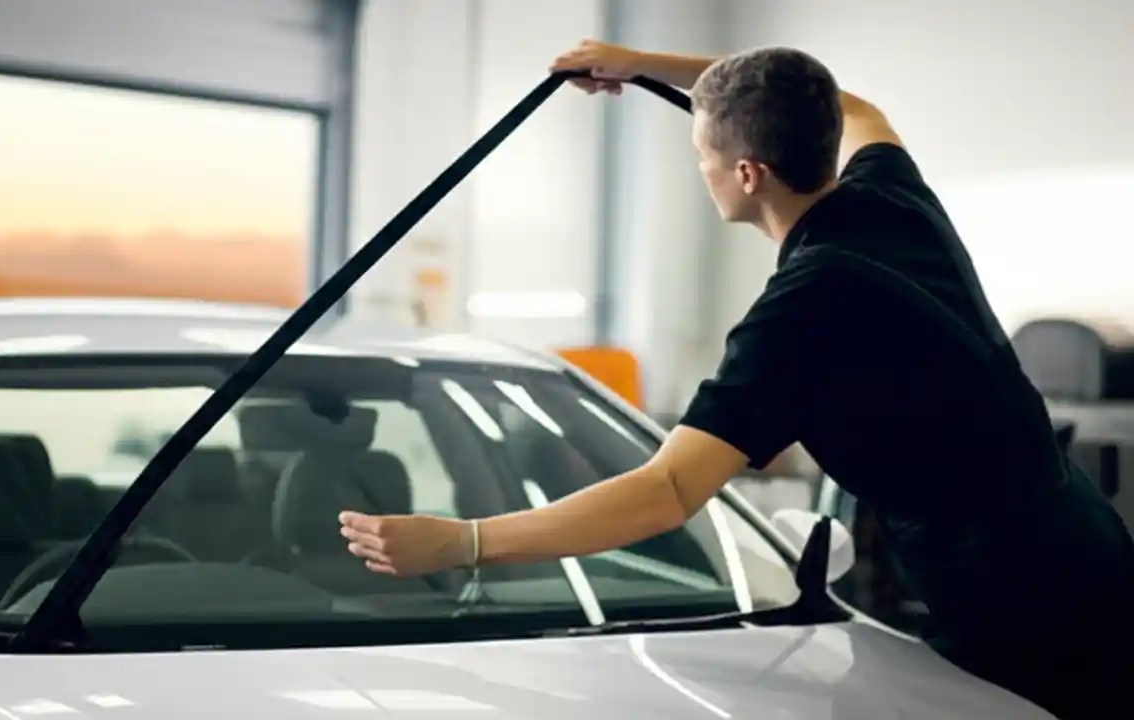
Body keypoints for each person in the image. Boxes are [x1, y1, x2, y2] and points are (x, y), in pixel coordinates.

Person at [339, 40, 1134, 718]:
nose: (703, 169)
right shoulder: (891, 196)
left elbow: (666, 491)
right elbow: (849, 101)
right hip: (1087, 542)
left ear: (748, 173)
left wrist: (466, 541)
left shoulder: (799, 314)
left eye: (703, 157)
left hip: (1013, 603)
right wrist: (639, 63)